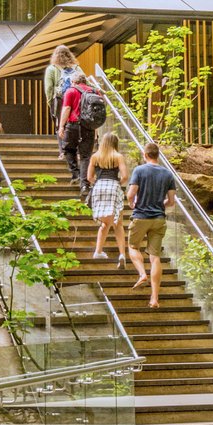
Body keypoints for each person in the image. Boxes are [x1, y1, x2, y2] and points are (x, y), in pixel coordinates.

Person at [126, 141, 178, 308]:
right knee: (155, 257)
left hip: (141, 216)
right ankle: (154, 299)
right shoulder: (168, 174)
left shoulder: (139, 170)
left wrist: (131, 202)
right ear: (158, 155)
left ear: (145, 155)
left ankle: (142, 274)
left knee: (133, 246)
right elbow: (171, 201)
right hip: (159, 219)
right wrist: (161, 202)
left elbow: (131, 193)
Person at [85, 133, 130, 265]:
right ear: (115, 143)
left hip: (99, 187)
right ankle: (122, 254)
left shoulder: (95, 157)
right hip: (113, 187)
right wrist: (117, 183)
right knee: (118, 223)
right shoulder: (118, 157)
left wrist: (98, 183)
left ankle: (98, 251)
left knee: (105, 223)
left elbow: (89, 177)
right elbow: (125, 176)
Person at [58, 71, 96, 201]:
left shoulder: (71, 91)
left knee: (68, 149)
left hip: (73, 125)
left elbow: (67, 109)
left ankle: (76, 174)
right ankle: (84, 186)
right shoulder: (94, 92)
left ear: (74, 82)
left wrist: (61, 126)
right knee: (85, 156)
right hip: (89, 127)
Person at [43, 44, 78, 135]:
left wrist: (50, 101)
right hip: (75, 100)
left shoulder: (51, 69)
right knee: (73, 122)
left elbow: (49, 88)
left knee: (60, 124)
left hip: (59, 100)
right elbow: (85, 81)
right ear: (69, 55)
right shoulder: (76, 68)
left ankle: (63, 143)